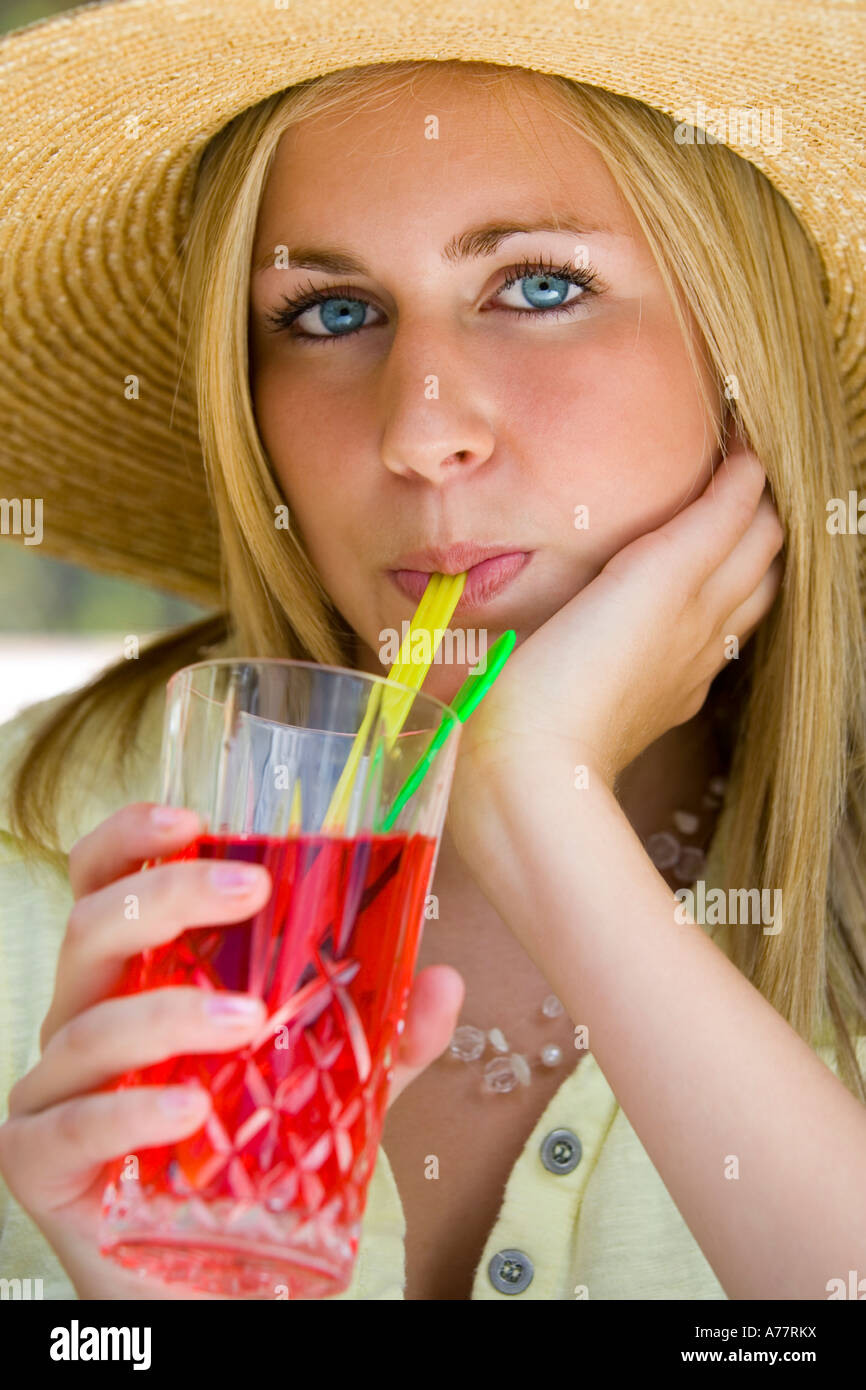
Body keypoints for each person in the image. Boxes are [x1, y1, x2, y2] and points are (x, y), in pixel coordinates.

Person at [1, 4, 865, 1303]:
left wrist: (545, 804)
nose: (420, 429)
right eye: (330, 309)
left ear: (753, 358)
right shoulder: (31, 852)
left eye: (538, 286)